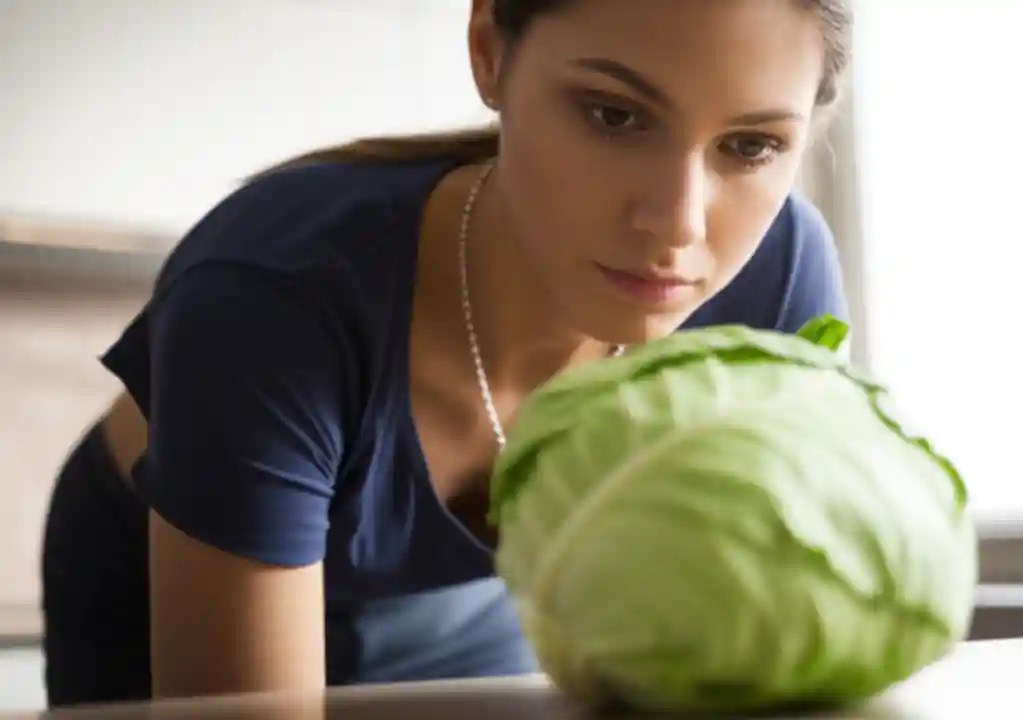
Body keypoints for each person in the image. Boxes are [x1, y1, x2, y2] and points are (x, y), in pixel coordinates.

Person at [38, 0, 853, 708]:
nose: (678, 225)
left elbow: (767, 653)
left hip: (476, 622)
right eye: (614, 115)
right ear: (490, 50)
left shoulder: (774, 280)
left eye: (749, 147)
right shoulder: (269, 294)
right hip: (164, 605)